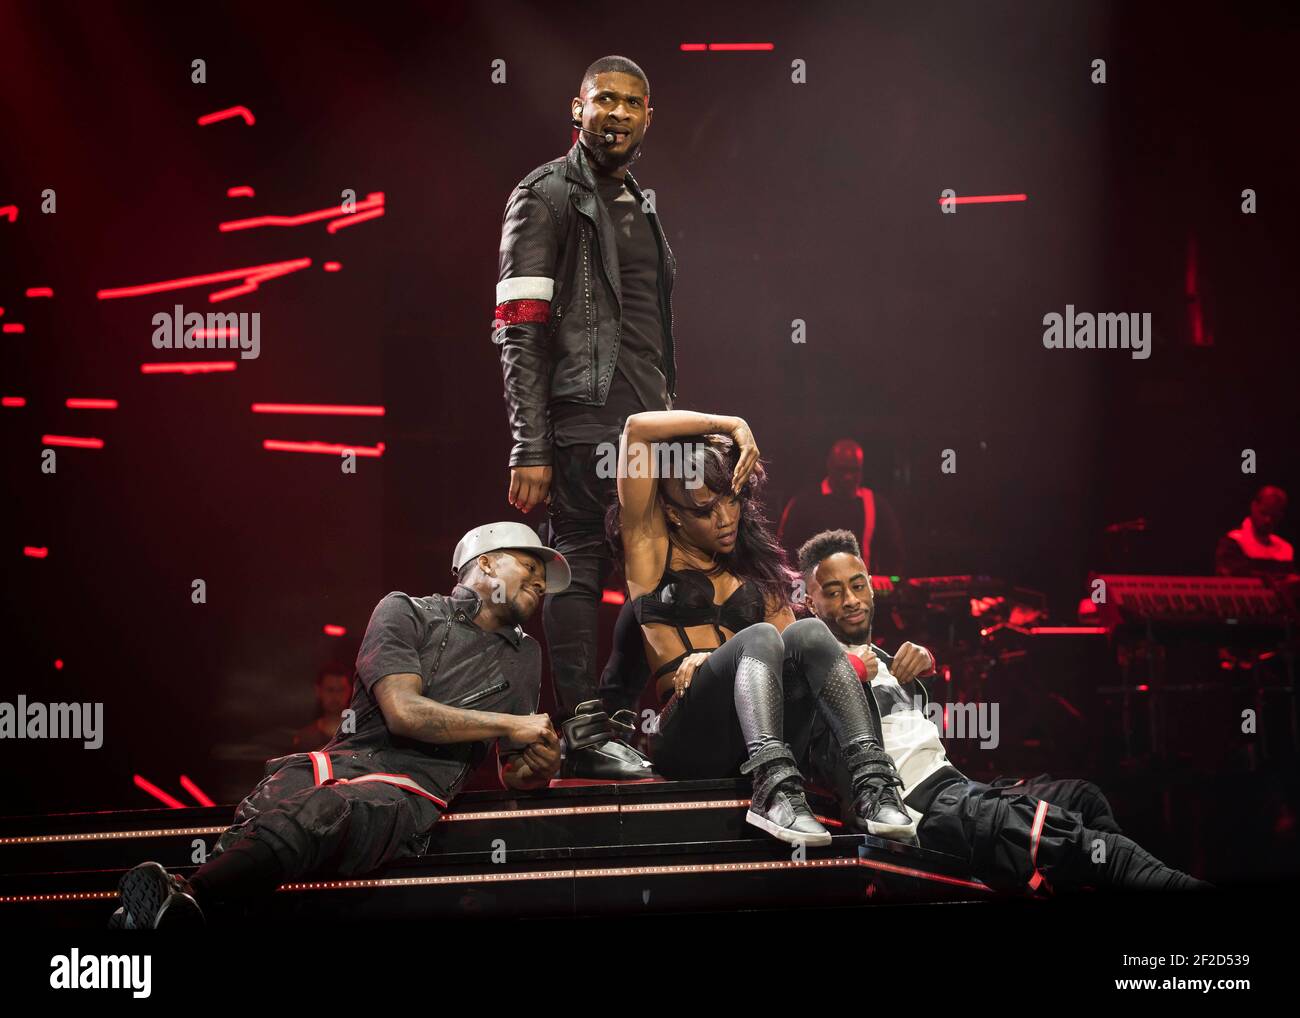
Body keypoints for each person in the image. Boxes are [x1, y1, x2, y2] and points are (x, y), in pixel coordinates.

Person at [111, 522, 569, 928]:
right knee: (268, 807)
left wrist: (541, 767)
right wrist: (512, 724)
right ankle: (170, 911)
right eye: (530, 566)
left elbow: (516, 771)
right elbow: (404, 712)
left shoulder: (527, 656)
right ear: (486, 564)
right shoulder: (403, 610)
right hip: (337, 764)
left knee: (323, 812)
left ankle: (177, 903)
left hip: (410, 790)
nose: (540, 581)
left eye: (543, 579)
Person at [798, 528, 1210, 892]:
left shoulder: (886, 660)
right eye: (833, 593)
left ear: (872, 587)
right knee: (1084, 844)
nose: (849, 600)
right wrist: (850, 670)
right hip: (922, 810)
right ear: (812, 604)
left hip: (957, 786)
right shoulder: (813, 666)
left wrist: (928, 663)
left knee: (1084, 798)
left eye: (857, 586)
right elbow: (800, 716)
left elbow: (921, 723)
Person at [606, 409, 917, 847]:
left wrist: (866, 665)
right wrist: (734, 426)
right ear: (674, 515)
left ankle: (872, 785)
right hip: (690, 737)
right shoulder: (652, 557)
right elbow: (636, 429)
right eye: (706, 509)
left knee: (806, 634)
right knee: (759, 636)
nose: (725, 518)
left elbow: (801, 666)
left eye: (732, 500)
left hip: (758, 733)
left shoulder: (758, 573)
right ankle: (773, 792)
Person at [495, 54, 675, 779]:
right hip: (581, 414)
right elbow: (519, 324)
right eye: (607, 99)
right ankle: (582, 727)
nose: (621, 113)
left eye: (634, 102)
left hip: (647, 420)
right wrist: (528, 443)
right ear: (579, 108)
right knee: (580, 553)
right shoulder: (545, 195)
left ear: (648, 117)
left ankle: (613, 716)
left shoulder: (642, 200)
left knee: (659, 567)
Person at [777, 438, 904, 580]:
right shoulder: (803, 504)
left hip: (860, 595)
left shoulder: (875, 505)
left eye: (854, 470)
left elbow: (894, 554)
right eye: (842, 470)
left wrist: (887, 581)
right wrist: (798, 595)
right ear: (829, 466)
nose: (848, 477)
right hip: (816, 594)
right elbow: (786, 553)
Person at [1216, 485, 1294, 577]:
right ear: (1253, 506)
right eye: (1264, 513)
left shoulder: (1285, 549)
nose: (1267, 520)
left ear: (1281, 516)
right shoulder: (1233, 542)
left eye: (1274, 515)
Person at [290, 664, 353, 752]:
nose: (335, 696)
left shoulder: (361, 733)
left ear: (350, 691)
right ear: (318, 691)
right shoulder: (306, 738)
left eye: (341, 690)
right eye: (330, 690)